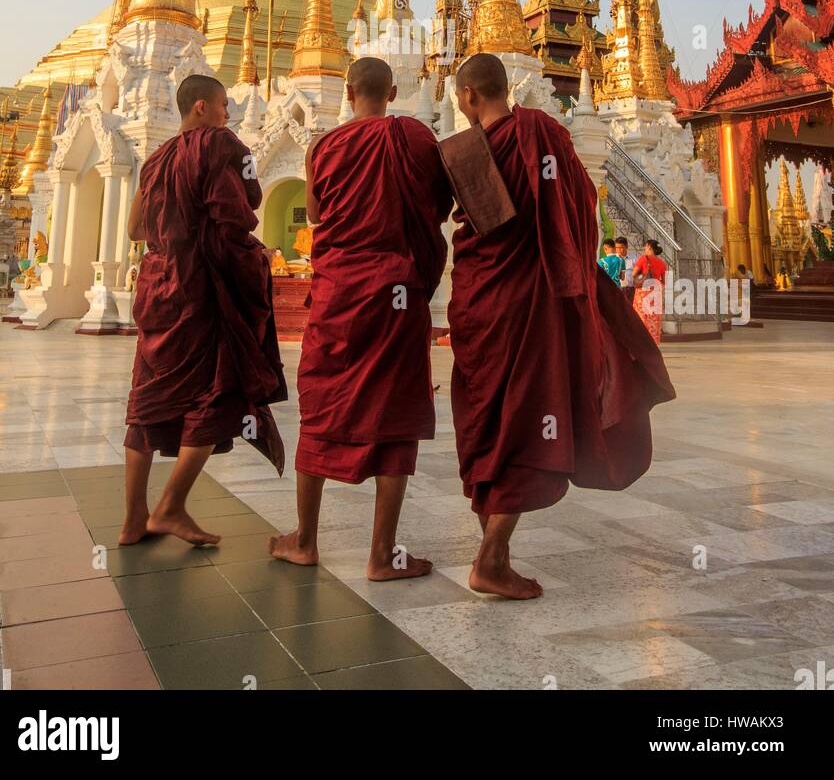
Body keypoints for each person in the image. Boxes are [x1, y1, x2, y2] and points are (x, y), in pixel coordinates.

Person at [444, 53, 675, 601]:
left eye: (459, 98)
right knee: (524, 419)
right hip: (532, 305)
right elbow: (578, 213)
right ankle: (491, 557)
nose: (460, 106)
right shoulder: (542, 134)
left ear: (471, 96)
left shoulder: (473, 147)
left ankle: (492, 555)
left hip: (486, 307)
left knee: (503, 422)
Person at [270, 57, 453, 581]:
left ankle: (304, 541)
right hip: (396, 293)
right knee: (395, 417)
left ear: (349, 93)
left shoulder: (323, 147)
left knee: (322, 411)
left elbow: (319, 215)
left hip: (338, 298)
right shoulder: (415, 138)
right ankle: (382, 553)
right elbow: (440, 206)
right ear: (393, 92)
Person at [122, 74, 286, 546]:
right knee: (216, 391)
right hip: (198, 289)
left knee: (147, 401)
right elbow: (237, 213)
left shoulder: (154, 160)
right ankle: (171, 505)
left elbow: (135, 228)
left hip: (155, 291)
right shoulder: (217, 144)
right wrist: (252, 260)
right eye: (222, 105)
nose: (228, 113)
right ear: (200, 108)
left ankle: (134, 519)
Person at [632, 239, 668, 344]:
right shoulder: (662, 263)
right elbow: (665, 281)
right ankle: (653, 343)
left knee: (641, 318)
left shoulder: (643, 259)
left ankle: (641, 342)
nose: (644, 248)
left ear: (649, 247)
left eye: (645, 246)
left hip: (643, 293)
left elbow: (634, 274)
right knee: (654, 319)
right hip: (655, 294)